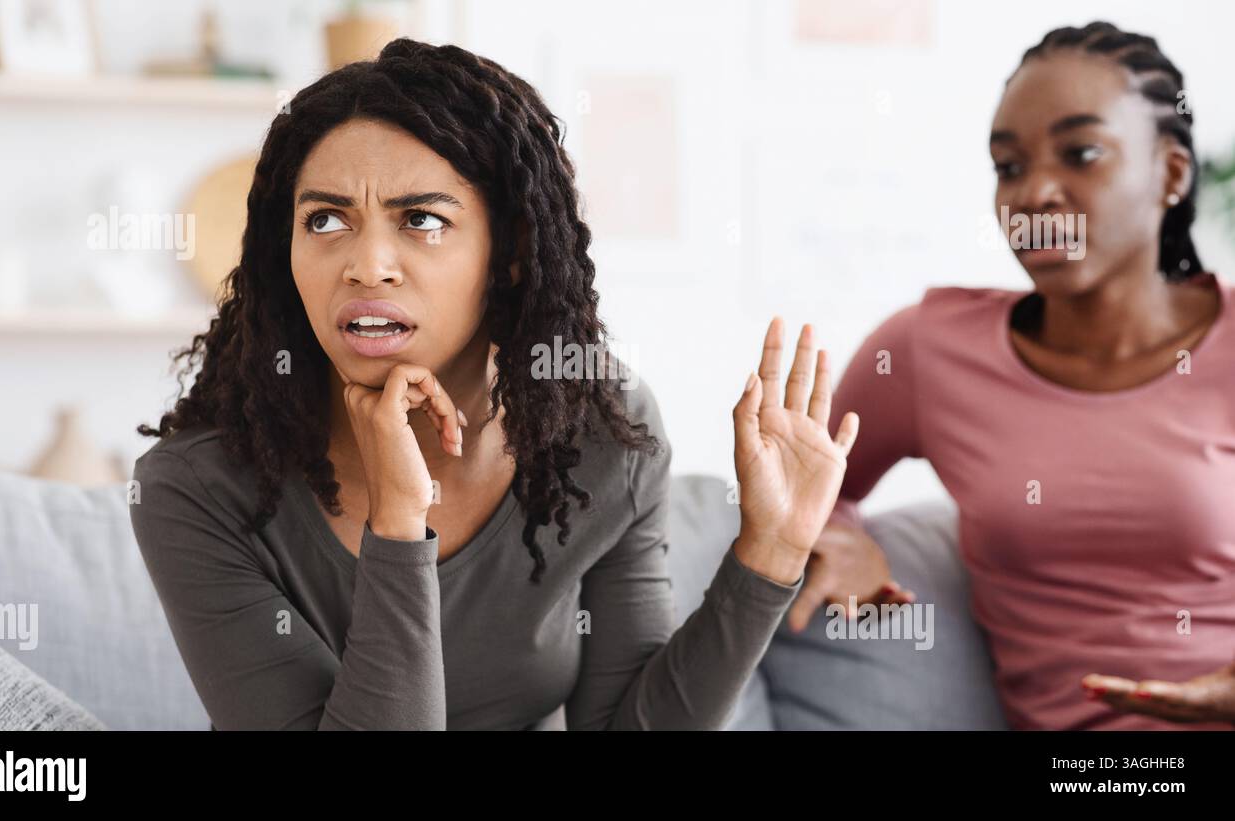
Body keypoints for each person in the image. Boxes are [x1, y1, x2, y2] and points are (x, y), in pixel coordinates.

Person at [130, 38, 858, 730]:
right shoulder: (195, 489)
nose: (366, 265)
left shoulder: (603, 432)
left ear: (509, 253)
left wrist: (772, 552)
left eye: (420, 220)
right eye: (325, 219)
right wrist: (401, 523)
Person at [787, 21, 1235, 730]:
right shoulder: (929, 350)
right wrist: (839, 540)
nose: (1035, 194)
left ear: (1172, 175)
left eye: (1080, 153)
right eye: (1009, 166)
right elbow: (802, 486)